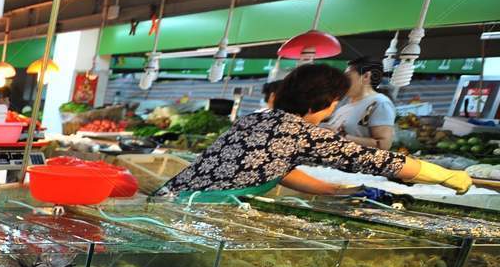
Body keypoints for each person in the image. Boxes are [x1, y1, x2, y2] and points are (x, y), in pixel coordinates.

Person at [157, 63, 472, 199]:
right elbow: (381, 161)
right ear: (320, 102)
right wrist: (444, 175)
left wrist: (335, 190)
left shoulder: (257, 120)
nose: (334, 109)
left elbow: (272, 169)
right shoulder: (302, 133)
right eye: (335, 102)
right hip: (199, 209)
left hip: (172, 198)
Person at [327, 57, 397, 150]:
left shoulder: (379, 103)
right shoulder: (345, 100)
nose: (343, 81)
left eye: (348, 77)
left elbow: (383, 145)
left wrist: (342, 136)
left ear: (366, 76)